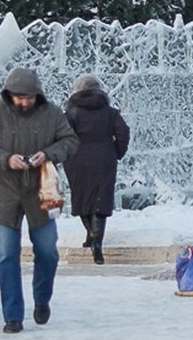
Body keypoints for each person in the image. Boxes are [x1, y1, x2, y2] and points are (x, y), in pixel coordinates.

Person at [0, 68, 79, 334]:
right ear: (9, 95)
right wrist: (5, 158)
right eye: (19, 97)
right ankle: (13, 316)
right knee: (7, 256)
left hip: (42, 190)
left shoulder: (52, 113)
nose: (24, 102)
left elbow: (71, 141)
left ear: (37, 95)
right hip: (4, 191)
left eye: (29, 97)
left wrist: (49, 153)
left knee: (48, 252)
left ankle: (42, 300)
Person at [63, 75, 130, 265]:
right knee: (101, 200)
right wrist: (116, 152)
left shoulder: (70, 113)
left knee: (82, 197)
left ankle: (91, 234)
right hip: (104, 159)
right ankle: (96, 242)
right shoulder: (111, 112)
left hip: (77, 160)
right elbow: (123, 132)